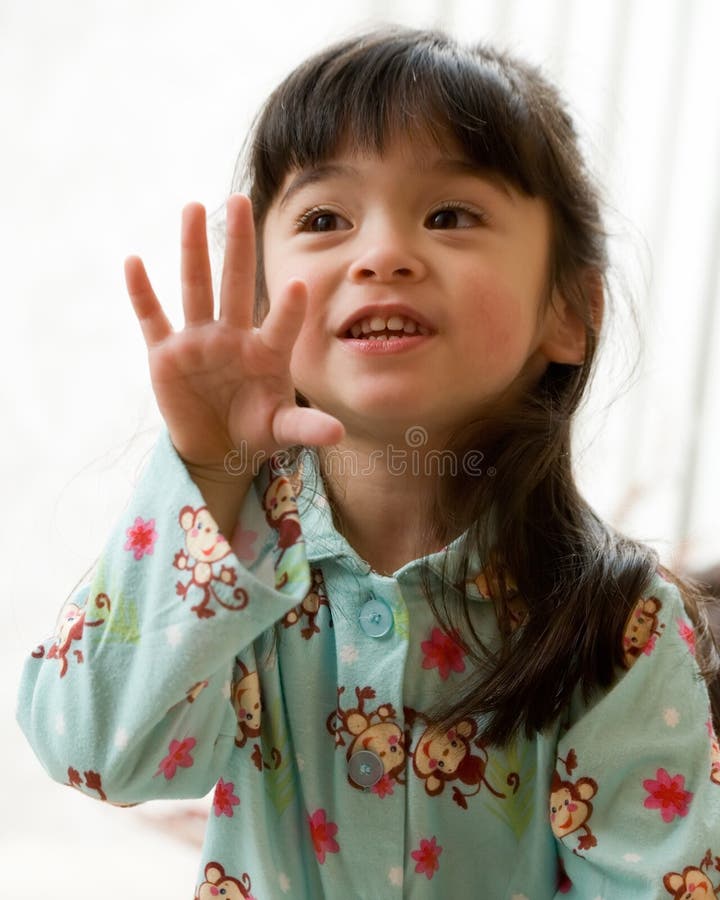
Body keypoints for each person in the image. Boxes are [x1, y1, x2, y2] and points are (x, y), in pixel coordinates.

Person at [17, 26, 720, 899]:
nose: (381, 253)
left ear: (569, 311)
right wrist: (208, 468)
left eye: (451, 215)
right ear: (263, 306)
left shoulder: (619, 626)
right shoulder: (234, 575)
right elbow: (93, 752)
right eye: (325, 220)